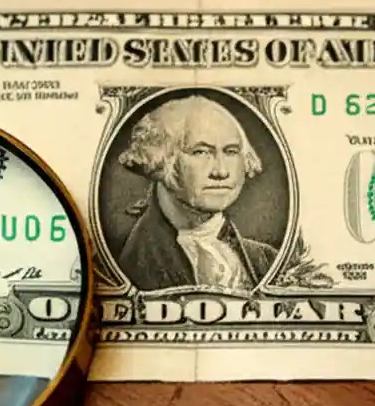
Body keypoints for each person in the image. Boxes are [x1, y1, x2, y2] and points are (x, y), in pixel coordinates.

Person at [115, 94, 278, 291]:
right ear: (159, 158)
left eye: (231, 151)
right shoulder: (127, 261)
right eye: (201, 152)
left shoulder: (267, 259)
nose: (221, 171)